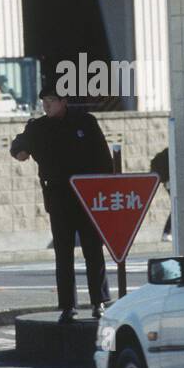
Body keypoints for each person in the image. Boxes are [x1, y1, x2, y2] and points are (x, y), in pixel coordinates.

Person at [11, 80, 113, 323]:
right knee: (63, 253)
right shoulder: (38, 127)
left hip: (87, 195)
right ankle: (68, 306)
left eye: (51, 102)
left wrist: (105, 189)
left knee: (92, 249)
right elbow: (19, 144)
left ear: (63, 102)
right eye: (43, 102)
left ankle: (98, 301)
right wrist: (20, 153)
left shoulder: (84, 122)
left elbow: (103, 158)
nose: (46, 106)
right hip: (58, 197)